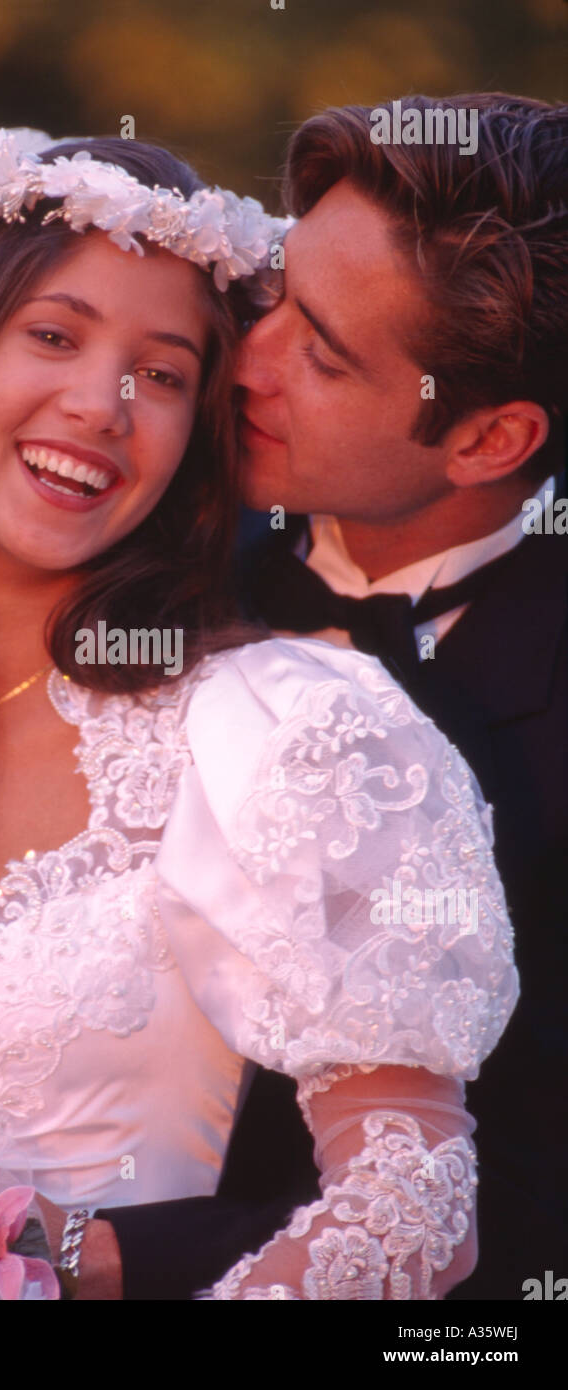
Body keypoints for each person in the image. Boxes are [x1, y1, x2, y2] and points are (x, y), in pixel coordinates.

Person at [0, 127, 517, 1301]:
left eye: (166, 373)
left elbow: (413, 1217)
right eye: (53, 335)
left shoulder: (285, 730)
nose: (98, 405)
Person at [229, 92, 568, 1301]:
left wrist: (79, 1257)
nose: (248, 356)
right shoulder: (131, 563)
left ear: (489, 439)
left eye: (320, 354)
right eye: (270, 292)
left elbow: (534, 1198)